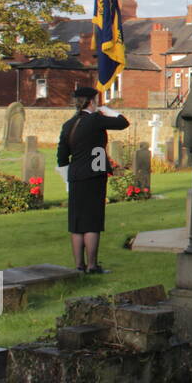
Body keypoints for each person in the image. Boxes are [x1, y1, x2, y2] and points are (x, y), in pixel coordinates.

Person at [57, 87, 129, 274]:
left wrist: (68, 178)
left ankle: (79, 266)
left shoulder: (69, 124)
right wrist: (108, 111)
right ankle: (92, 265)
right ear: (91, 101)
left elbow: (62, 157)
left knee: (77, 223)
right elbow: (123, 123)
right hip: (94, 176)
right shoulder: (95, 119)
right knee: (92, 222)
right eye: (97, 100)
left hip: (75, 176)